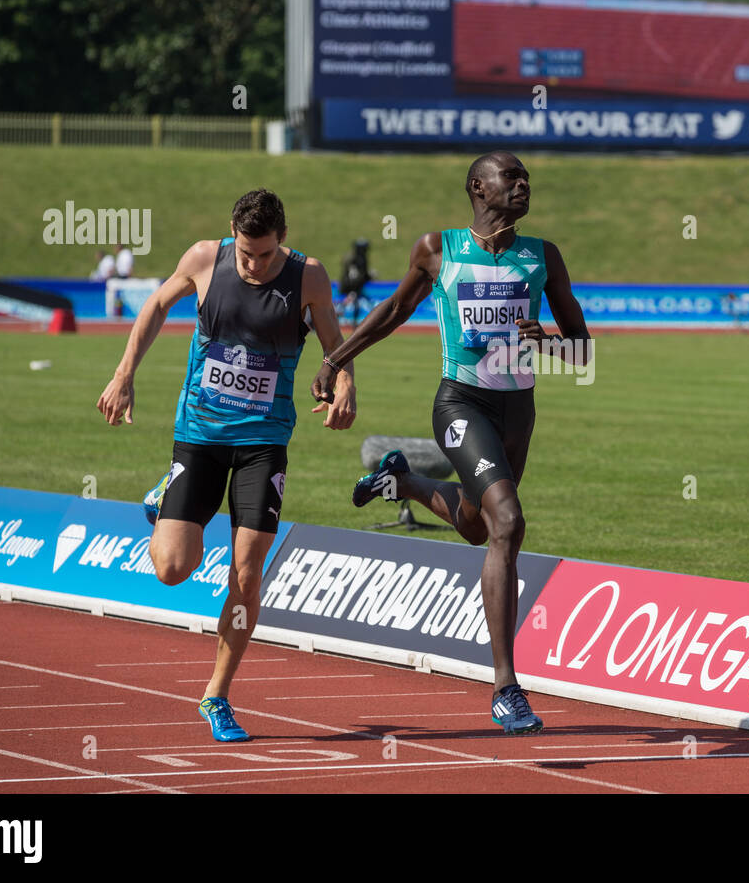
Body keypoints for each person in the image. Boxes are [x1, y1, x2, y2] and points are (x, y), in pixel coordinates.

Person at [310, 151, 592, 735]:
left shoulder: (544, 256)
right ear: (476, 187)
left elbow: (583, 349)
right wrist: (336, 357)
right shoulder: (437, 249)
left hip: (519, 410)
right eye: (509, 178)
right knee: (508, 524)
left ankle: (402, 481)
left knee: (475, 524)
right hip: (461, 405)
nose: (521, 186)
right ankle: (506, 687)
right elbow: (392, 310)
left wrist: (549, 339)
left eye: (526, 179)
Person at [95, 189, 357, 742]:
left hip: (264, 442)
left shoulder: (308, 276)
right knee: (171, 569)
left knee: (246, 572)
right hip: (200, 435)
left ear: (281, 241)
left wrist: (345, 385)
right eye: (245, 254)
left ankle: (217, 695)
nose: (254, 266)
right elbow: (155, 306)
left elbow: (334, 343)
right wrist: (124, 374)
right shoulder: (202, 259)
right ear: (231, 238)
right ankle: (171, 491)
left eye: (264, 255)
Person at [338, 238, 374, 329]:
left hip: (355, 286)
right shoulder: (357, 260)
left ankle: (352, 321)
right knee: (354, 303)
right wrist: (369, 276)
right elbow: (356, 276)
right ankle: (349, 321)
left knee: (357, 303)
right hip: (351, 286)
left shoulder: (357, 258)